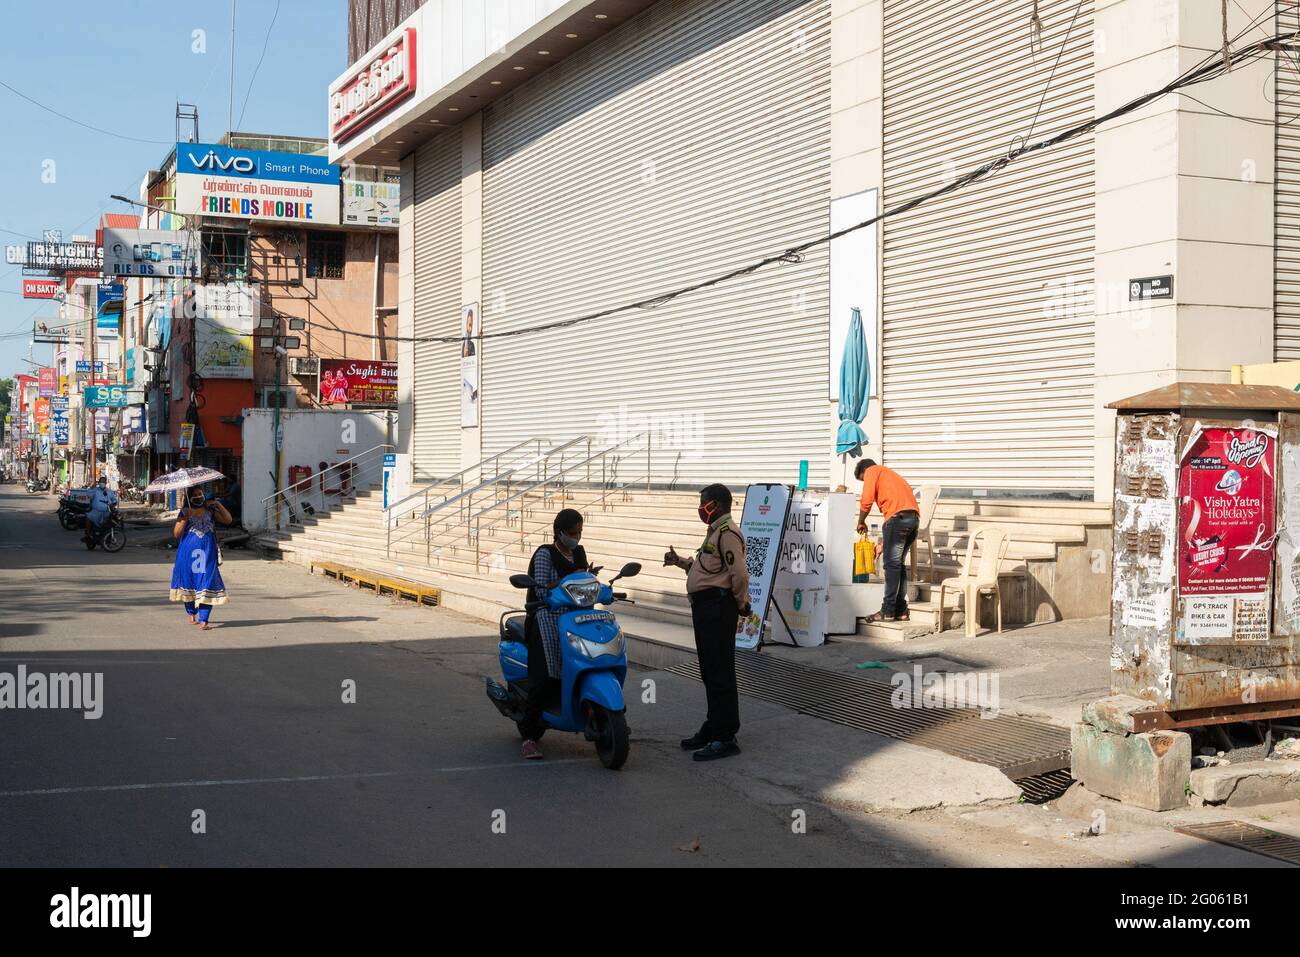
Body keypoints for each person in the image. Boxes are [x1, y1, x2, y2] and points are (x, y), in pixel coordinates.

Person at [664, 484, 749, 762]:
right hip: (706, 608)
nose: (701, 508)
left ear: (720, 504)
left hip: (718, 608)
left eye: (705, 503)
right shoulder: (713, 533)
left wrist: (740, 603)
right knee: (709, 671)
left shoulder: (728, 533)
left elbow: (738, 574)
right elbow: (707, 569)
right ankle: (714, 725)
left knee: (720, 672)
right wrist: (679, 562)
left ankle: (725, 736)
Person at [519, 509, 601, 759]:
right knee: (542, 676)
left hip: (576, 616)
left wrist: (589, 578)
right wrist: (570, 578)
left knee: (590, 662)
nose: (576, 538)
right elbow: (542, 590)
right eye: (572, 533)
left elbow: (582, 582)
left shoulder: (579, 551)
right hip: (546, 616)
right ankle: (530, 737)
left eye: (579, 532)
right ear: (560, 532)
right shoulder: (545, 554)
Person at [855, 458, 920, 622]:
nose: (865, 482)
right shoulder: (891, 475)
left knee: (891, 565)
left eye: (863, 479)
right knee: (898, 565)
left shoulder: (872, 470)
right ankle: (901, 609)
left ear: (864, 471)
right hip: (913, 519)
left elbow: (867, 500)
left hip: (897, 519)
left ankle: (888, 610)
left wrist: (861, 520)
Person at [169, 485, 232, 630]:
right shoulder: (185, 511)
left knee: (207, 583)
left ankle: (204, 620)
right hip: (187, 556)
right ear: (189, 497)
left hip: (208, 554)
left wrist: (218, 504)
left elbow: (228, 520)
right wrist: (186, 517)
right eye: (195, 494)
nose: (199, 496)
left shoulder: (210, 511)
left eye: (201, 493)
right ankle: (191, 613)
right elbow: (176, 534)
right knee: (189, 582)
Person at [82, 476, 119, 545]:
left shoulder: (109, 491)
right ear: (99, 483)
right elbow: (88, 494)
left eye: (104, 482)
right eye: (101, 482)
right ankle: (88, 535)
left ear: (106, 483)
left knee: (112, 521)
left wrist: (113, 504)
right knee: (88, 517)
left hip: (107, 512)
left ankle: (108, 537)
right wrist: (91, 487)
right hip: (96, 512)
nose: (102, 483)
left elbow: (114, 500)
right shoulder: (95, 490)